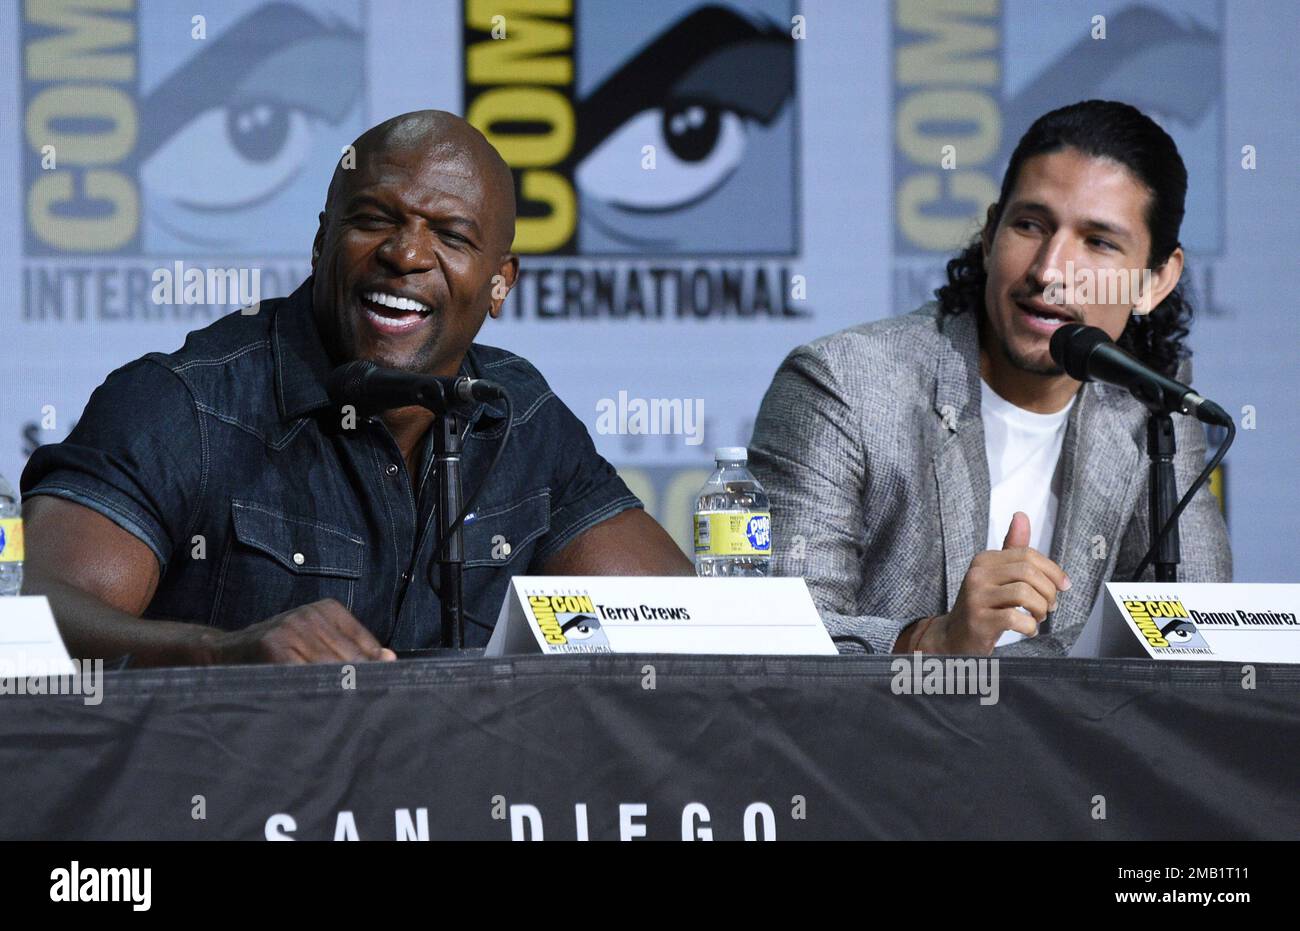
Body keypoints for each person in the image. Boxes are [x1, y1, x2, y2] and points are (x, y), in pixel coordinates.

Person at [21, 110, 693, 666]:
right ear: (321, 243)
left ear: (500, 283)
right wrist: (222, 650)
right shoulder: (186, 404)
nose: (405, 254)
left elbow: (681, 620)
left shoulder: (517, 415)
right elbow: (34, 617)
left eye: (451, 235)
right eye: (374, 219)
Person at [749, 100, 1230, 656]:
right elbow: (779, 648)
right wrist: (934, 643)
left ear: (1156, 279)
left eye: (1097, 242)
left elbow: (1199, 636)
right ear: (990, 232)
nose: (1050, 271)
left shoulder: (1151, 400)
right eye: (1030, 225)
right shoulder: (845, 385)